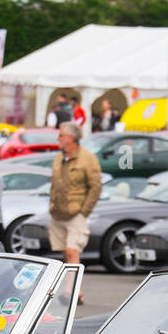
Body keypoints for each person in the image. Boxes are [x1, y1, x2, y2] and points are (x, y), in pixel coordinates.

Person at [48, 120, 102, 281]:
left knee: (72, 251)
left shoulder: (87, 158)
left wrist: (84, 211)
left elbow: (96, 187)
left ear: (70, 138)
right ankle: (75, 291)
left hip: (76, 212)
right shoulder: (58, 158)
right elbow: (54, 184)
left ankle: (70, 292)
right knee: (65, 252)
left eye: (60, 135)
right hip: (57, 213)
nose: (58, 139)